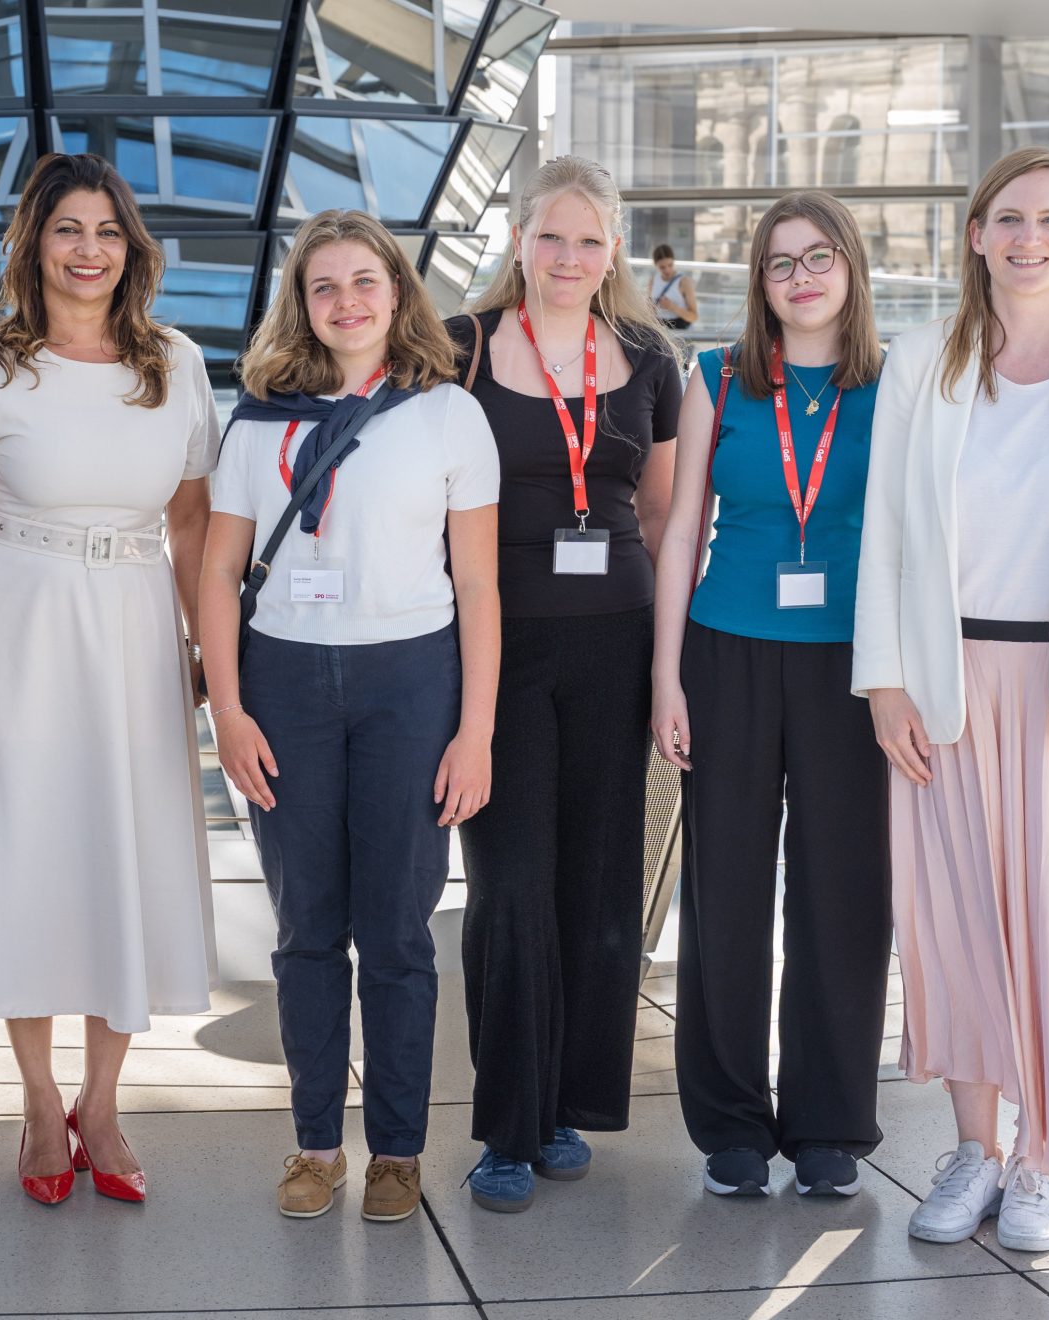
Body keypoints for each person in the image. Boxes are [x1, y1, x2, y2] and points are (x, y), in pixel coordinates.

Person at [853, 147, 1049, 1254]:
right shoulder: (921, 365)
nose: (1029, 237)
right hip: (948, 685)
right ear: (978, 237)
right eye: (1008, 218)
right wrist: (884, 678)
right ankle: (973, 1150)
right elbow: (888, 535)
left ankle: (1043, 1159)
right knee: (958, 925)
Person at [0, 152, 219, 1206]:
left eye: (106, 230)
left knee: (117, 860)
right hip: (18, 634)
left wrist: (203, 655)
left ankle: (105, 1100)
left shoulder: (176, 365)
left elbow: (191, 528)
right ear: (32, 245)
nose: (88, 249)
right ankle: (41, 1100)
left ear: (131, 246)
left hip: (134, 635)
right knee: (30, 863)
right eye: (66, 229)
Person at [199, 209, 501, 1225]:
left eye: (365, 282)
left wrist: (475, 731)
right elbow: (216, 570)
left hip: (410, 685)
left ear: (399, 292)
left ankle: (400, 1150)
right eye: (324, 287)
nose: (346, 303)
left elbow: (481, 590)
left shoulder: (448, 415)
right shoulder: (258, 418)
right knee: (306, 930)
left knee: (400, 931)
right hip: (284, 684)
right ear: (302, 302)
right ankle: (318, 1143)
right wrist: (227, 711)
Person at [443, 155, 682, 1213]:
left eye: (589, 240)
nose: (569, 257)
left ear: (612, 251)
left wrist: (669, 669)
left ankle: (567, 1104)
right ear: (518, 242)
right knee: (507, 886)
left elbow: (666, 521)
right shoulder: (459, 350)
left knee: (593, 886)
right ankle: (505, 1123)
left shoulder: (648, 357)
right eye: (551, 237)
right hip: (495, 646)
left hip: (616, 645)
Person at [650, 191, 890, 1200]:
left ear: (850, 269)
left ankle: (830, 1121)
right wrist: (665, 675)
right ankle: (733, 1123)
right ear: (759, 282)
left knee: (844, 893)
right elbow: (680, 533)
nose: (800, 276)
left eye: (818, 256)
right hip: (727, 654)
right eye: (780, 262)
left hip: (852, 665)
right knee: (728, 895)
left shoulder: (896, 384)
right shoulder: (716, 376)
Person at [651, 244, 697, 331]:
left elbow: (694, 316)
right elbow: (651, 309)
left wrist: (673, 307)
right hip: (661, 330)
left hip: (681, 331)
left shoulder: (684, 281)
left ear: (673, 261)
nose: (667, 270)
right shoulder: (653, 281)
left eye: (670, 265)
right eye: (662, 267)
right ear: (655, 265)